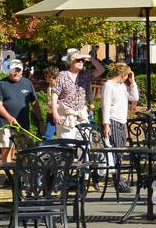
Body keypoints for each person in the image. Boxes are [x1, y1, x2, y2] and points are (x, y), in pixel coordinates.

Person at [0, 59, 45, 187]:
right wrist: (9, 118)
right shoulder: (1, 84)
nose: (15, 73)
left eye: (18, 70)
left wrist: (40, 120)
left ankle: (22, 176)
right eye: (12, 70)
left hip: (23, 125)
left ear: (22, 70)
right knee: (6, 148)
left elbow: (34, 103)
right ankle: (8, 177)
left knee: (24, 151)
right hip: (5, 123)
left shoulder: (27, 83)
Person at [50, 48, 104, 140]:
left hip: (81, 116)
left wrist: (90, 57)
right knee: (68, 146)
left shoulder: (85, 74)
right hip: (66, 117)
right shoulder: (62, 75)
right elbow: (55, 94)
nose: (81, 62)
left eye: (82, 60)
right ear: (70, 61)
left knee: (84, 145)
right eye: (78, 60)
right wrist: (54, 112)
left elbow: (101, 69)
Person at [100, 62, 138, 194]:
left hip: (122, 121)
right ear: (122, 75)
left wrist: (132, 82)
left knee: (120, 152)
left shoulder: (122, 86)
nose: (128, 77)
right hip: (113, 121)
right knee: (116, 151)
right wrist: (106, 124)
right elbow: (105, 105)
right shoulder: (109, 85)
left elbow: (134, 97)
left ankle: (119, 180)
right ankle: (119, 182)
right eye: (127, 75)